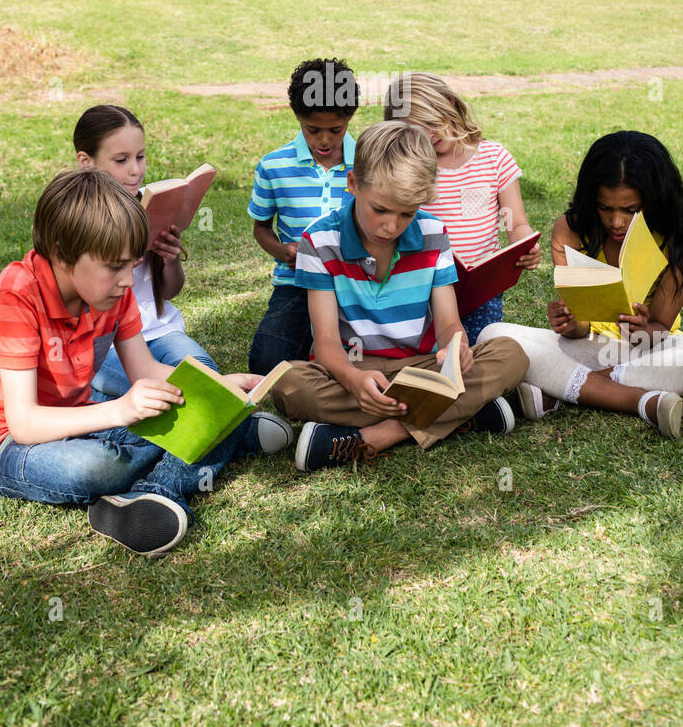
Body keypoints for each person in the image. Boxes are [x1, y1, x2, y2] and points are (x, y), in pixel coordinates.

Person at [0, 168, 291, 558]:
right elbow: (25, 423)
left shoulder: (113, 291)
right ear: (63, 254)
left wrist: (218, 386)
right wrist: (121, 410)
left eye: (132, 265)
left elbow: (146, 371)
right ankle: (222, 443)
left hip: (80, 418)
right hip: (5, 446)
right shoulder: (15, 299)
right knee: (93, 469)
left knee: (198, 408)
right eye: (115, 267)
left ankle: (159, 490)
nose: (129, 281)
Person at [270, 121, 528, 470]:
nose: (391, 226)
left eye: (406, 213)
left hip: (420, 370)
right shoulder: (318, 242)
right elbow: (327, 340)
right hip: (353, 372)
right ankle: (463, 416)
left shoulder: (433, 233)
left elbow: (449, 322)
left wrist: (456, 346)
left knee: (510, 354)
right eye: (380, 209)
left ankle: (382, 434)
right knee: (288, 383)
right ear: (353, 184)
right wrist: (352, 379)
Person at [481, 131, 683, 437]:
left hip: (649, 351)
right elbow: (580, 329)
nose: (616, 222)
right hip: (588, 347)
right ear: (591, 199)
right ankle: (642, 401)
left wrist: (642, 329)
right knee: (492, 336)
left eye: (631, 210)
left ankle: (562, 389)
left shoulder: (681, 242)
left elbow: (661, 328)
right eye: (605, 207)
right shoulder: (570, 231)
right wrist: (569, 323)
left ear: (656, 200)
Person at [73, 104, 241, 409]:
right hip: (106, 340)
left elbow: (169, 291)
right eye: (121, 160)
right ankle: (239, 426)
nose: (135, 170)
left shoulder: (152, 202)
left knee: (203, 371)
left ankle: (213, 408)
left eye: (140, 157)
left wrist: (170, 258)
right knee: (158, 389)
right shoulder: (76, 219)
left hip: (159, 329)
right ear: (86, 161)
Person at [384, 72, 541, 342]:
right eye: (418, 132)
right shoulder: (411, 168)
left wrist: (527, 246)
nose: (430, 135)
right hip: (424, 285)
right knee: (425, 348)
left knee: (480, 346)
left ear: (451, 106)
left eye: (434, 123)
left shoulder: (493, 159)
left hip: (480, 289)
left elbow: (516, 223)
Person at [247, 57, 359, 374]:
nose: (324, 140)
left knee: (362, 360)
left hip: (354, 284)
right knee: (265, 365)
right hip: (295, 285)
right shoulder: (274, 166)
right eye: (313, 130)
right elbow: (261, 228)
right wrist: (283, 252)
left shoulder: (367, 161)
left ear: (350, 117)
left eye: (335, 130)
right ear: (297, 115)